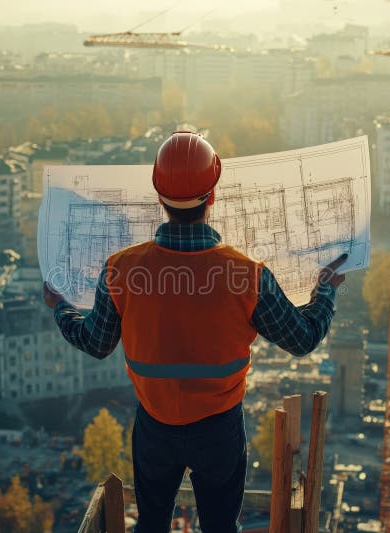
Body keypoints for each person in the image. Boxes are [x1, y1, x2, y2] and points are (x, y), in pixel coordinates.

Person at [43, 131, 346, 533]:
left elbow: (95, 343)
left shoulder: (121, 269)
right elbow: (303, 338)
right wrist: (324, 291)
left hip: (155, 426)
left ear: (158, 197)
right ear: (213, 196)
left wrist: (60, 306)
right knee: (221, 527)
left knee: (151, 526)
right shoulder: (246, 275)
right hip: (219, 428)